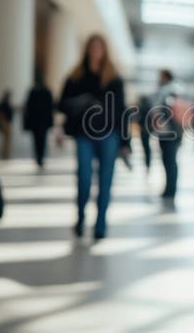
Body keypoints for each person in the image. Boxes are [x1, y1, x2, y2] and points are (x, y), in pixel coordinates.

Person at [59, 35, 129, 240]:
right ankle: (80, 217)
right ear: (87, 49)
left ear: (105, 50)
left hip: (109, 135)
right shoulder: (76, 76)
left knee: (106, 181)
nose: (96, 51)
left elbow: (121, 110)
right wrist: (82, 102)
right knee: (84, 178)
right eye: (93, 47)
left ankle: (100, 224)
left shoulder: (114, 79)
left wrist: (125, 142)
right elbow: (62, 104)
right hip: (84, 135)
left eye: (100, 47)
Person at [152, 69, 183, 199]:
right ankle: (170, 188)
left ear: (165, 77)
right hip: (175, 130)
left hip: (168, 131)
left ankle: (170, 190)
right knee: (170, 160)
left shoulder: (167, 90)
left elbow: (165, 110)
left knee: (169, 160)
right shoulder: (179, 89)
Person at [23, 76, 54, 169]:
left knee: (38, 140)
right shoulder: (46, 92)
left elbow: (28, 107)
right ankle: (40, 157)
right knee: (41, 140)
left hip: (36, 122)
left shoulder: (34, 92)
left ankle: (39, 157)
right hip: (41, 122)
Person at [136, 96, 153, 172]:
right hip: (147, 130)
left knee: (146, 147)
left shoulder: (141, 108)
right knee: (147, 147)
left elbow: (139, 119)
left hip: (144, 130)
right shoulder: (148, 108)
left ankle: (148, 162)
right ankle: (148, 162)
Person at [0, 91, 14, 159]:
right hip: (5, 122)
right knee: (7, 139)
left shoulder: (4, 103)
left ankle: (5, 153)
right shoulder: (4, 103)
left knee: (7, 139)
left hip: (6, 122)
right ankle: (5, 153)